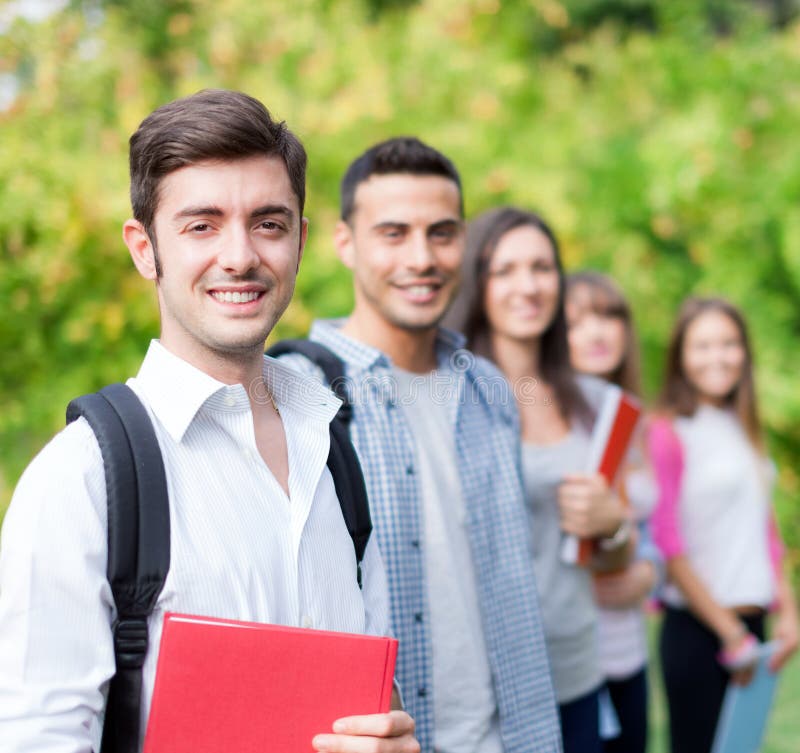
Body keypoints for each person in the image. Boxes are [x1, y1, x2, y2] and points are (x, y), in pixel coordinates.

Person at [0, 89, 418, 753]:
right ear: (144, 249)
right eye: (202, 225)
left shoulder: (334, 447)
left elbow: (374, 699)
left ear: (301, 242)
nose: (240, 255)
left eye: (268, 223)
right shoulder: (81, 478)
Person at [277, 139, 562, 753]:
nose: (422, 257)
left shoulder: (490, 388)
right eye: (393, 232)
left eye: (441, 232)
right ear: (344, 243)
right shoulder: (297, 397)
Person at [445, 207, 631, 753]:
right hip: (490, 681)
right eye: (504, 270)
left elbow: (615, 557)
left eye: (542, 268)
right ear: (478, 283)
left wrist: (613, 527)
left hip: (576, 668)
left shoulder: (592, 402)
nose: (527, 286)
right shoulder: (449, 394)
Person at [648, 296, 799, 753]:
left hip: (753, 626)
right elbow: (667, 546)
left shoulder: (742, 425)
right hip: (701, 632)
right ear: (681, 356)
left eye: (729, 344)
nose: (718, 356)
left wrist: (788, 610)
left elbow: (764, 530)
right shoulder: (667, 431)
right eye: (702, 345)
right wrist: (730, 633)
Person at [565, 271, 660, 753]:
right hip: (578, 654)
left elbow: (655, 528)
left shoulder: (633, 416)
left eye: (609, 316)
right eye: (578, 322)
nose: (598, 332)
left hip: (630, 646)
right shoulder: (551, 418)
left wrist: (649, 569)